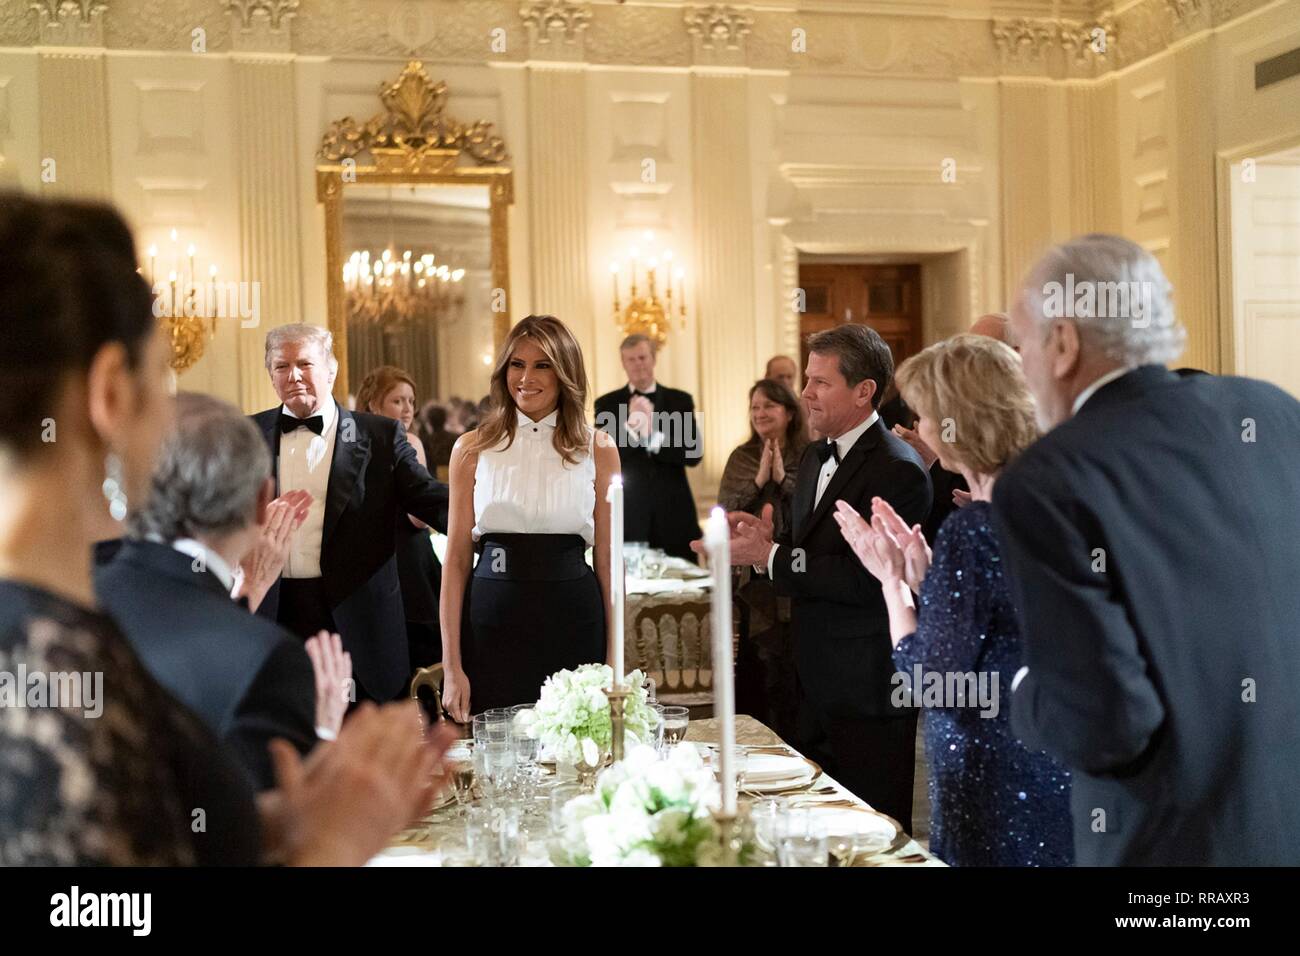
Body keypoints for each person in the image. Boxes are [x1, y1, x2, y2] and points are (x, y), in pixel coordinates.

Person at [0, 195, 454, 866]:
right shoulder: (51, 660)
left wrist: (269, 827)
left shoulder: (67, 621)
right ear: (111, 396)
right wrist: (329, 849)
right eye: (163, 382)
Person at [994, 233, 1300, 865]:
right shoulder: (1274, 413)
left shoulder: (1048, 478)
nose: (1019, 369)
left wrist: (1024, 687)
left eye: (1020, 344)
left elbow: (1106, 727)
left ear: (1063, 343)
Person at [833, 335, 1073, 866]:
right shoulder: (1049, 508)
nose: (915, 428)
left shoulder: (975, 529)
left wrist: (891, 582)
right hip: (1048, 756)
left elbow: (929, 678)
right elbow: (1003, 622)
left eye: (923, 415)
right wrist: (929, 583)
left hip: (993, 767)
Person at [697, 324, 932, 831]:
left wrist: (773, 554)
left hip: (868, 689)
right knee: (813, 831)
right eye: (807, 379)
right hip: (810, 680)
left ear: (864, 390)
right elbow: (810, 553)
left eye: (821, 382)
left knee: (874, 834)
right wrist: (765, 540)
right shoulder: (814, 455)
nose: (805, 393)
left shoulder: (899, 469)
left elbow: (868, 580)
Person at [95, 392, 351, 791]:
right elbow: (269, 841)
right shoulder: (267, 659)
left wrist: (250, 587)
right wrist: (324, 734)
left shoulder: (69, 600)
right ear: (262, 501)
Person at [250, 324, 450, 702]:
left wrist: (493, 521)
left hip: (358, 621)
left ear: (331, 369)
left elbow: (430, 499)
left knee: (370, 750)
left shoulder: (380, 436)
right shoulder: (246, 435)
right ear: (271, 374)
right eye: (281, 366)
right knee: (283, 743)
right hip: (275, 615)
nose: (293, 376)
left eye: (305, 364)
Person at [440, 315, 621, 720]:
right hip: (490, 625)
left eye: (542, 365)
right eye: (516, 364)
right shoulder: (471, 449)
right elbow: (454, 562)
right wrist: (452, 668)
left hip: (574, 619)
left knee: (578, 758)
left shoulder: (599, 448)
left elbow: (609, 559)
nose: (526, 377)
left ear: (565, 372)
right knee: (498, 761)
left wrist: (616, 660)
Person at [717, 379, 808, 742]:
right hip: (752, 581)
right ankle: (757, 739)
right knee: (758, 663)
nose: (760, 413)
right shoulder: (742, 457)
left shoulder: (809, 454)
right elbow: (725, 507)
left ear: (788, 412)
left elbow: (811, 511)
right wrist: (759, 479)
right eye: (754, 407)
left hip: (795, 571)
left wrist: (783, 479)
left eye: (768, 405)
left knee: (790, 667)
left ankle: (794, 742)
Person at [356, 365, 442, 675]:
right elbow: (419, 518)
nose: (407, 409)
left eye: (411, 400)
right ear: (373, 403)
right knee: (423, 658)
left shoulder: (349, 442)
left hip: (373, 559)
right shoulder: (409, 443)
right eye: (398, 401)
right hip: (407, 563)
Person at [594, 333, 702, 561]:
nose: (638, 364)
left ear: (653, 359)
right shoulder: (606, 404)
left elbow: (693, 454)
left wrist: (652, 436)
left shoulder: (679, 400)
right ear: (623, 363)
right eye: (631, 359)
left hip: (675, 515)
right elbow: (602, 459)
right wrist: (632, 430)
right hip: (629, 515)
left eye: (642, 357)